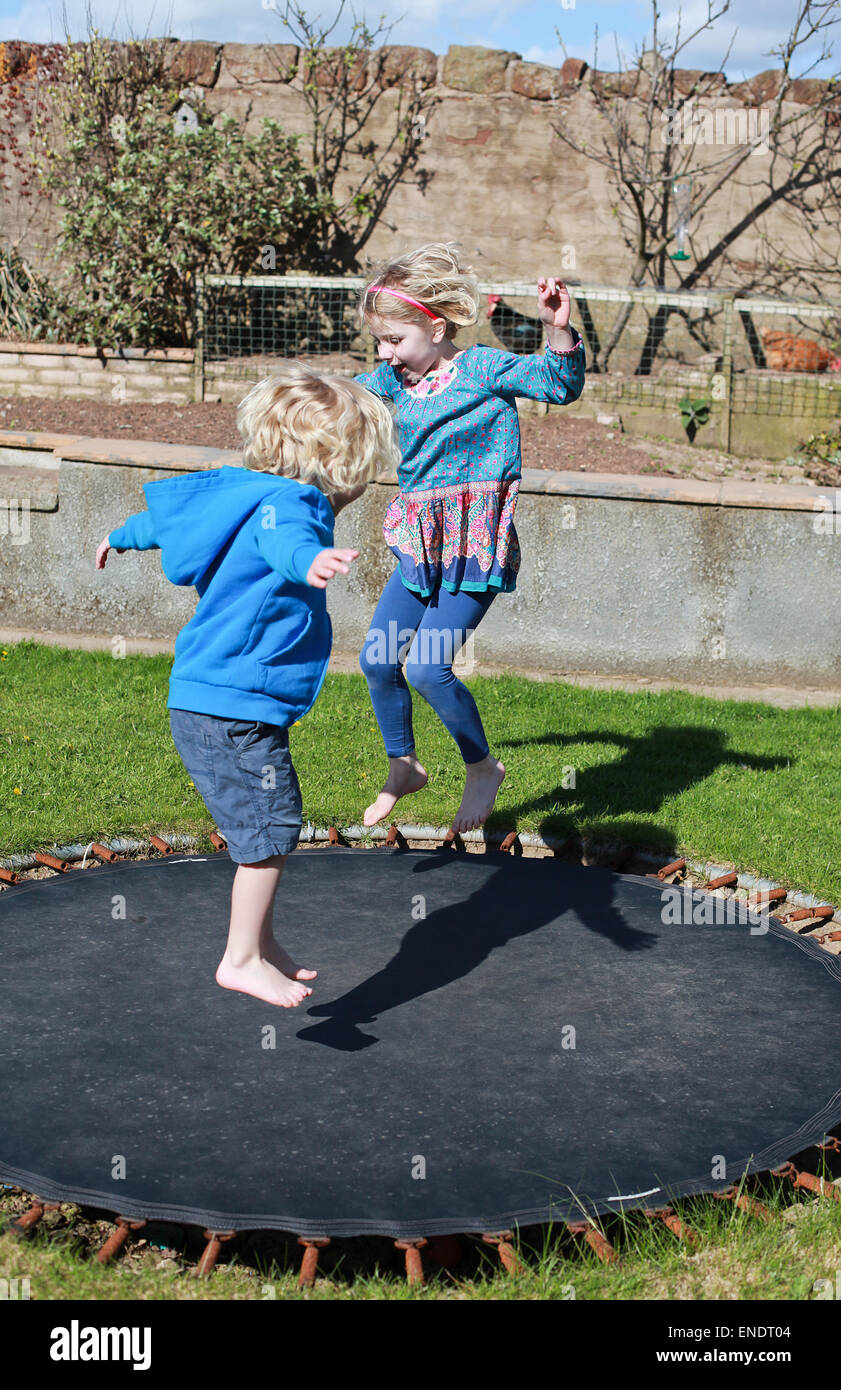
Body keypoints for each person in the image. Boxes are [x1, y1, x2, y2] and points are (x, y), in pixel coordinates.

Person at [95, 363, 400, 1008]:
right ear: (334, 465)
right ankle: (240, 958)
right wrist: (311, 559)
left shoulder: (235, 492)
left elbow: (164, 526)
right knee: (268, 830)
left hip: (207, 698)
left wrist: (119, 537)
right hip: (233, 707)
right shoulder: (294, 505)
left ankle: (262, 944)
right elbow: (286, 542)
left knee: (267, 826)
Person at [353, 242, 586, 834]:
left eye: (395, 341)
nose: (386, 354)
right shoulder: (389, 381)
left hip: (474, 543)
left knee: (429, 669)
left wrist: (558, 331)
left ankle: (482, 768)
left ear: (435, 328)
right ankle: (402, 763)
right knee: (378, 660)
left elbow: (558, 385)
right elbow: (339, 402)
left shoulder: (483, 368)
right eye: (379, 342)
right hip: (420, 543)